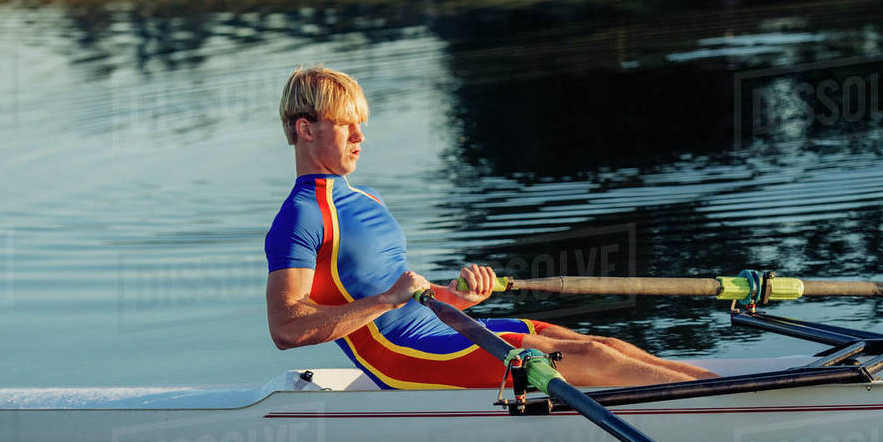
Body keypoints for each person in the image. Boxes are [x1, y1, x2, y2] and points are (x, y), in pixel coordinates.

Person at [265, 65, 714, 389]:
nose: (360, 137)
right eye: (346, 126)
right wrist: (387, 300)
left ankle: (754, 394)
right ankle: (720, 408)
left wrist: (453, 296)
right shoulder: (301, 216)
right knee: (593, 358)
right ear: (306, 129)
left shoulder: (368, 199)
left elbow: (403, 289)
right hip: (402, 357)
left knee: (593, 340)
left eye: (360, 125)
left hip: (446, 327)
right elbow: (287, 329)